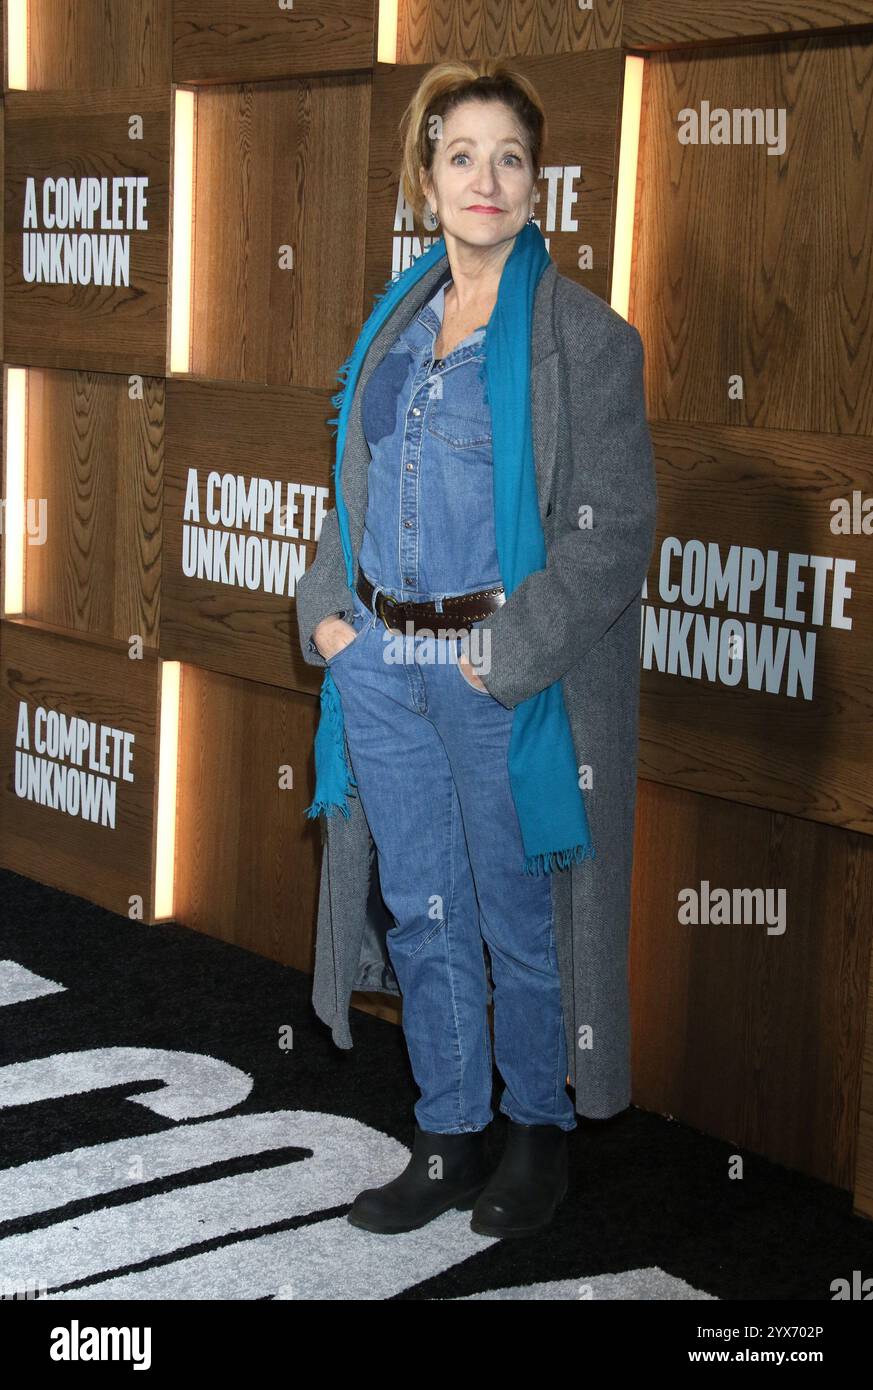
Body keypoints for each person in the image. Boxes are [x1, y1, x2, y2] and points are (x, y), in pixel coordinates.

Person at [296, 58, 657, 1239]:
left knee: (517, 915)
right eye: (462, 156)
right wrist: (334, 624)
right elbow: (350, 495)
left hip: (502, 676)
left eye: (510, 157)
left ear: (540, 181)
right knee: (424, 909)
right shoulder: (392, 325)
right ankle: (447, 1133)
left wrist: (499, 658)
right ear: (427, 177)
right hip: (386, 672)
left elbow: (610, 540)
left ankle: (533, 1137)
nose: (485, 179)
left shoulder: (585, 339)